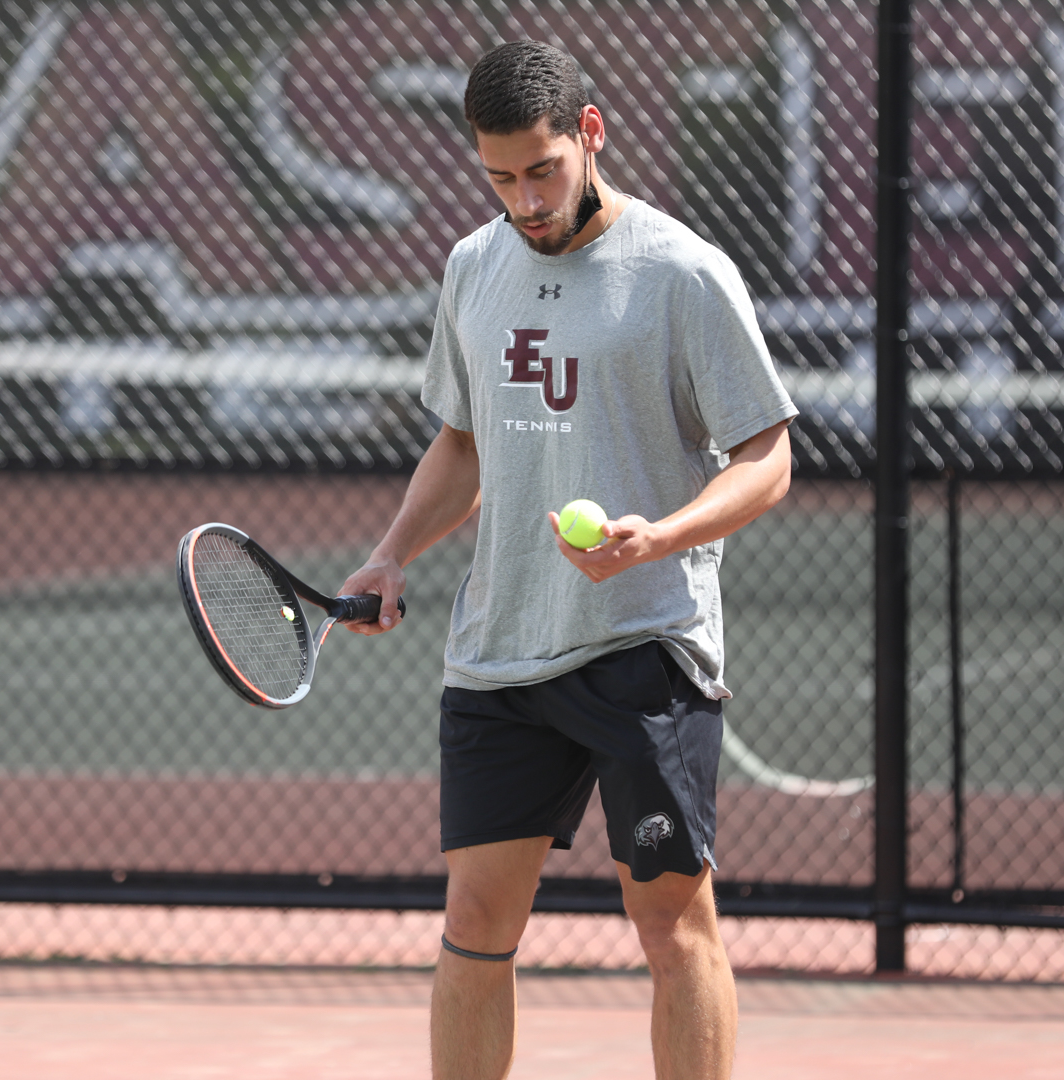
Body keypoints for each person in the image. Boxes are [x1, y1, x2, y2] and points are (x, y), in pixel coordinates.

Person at [336, 41, 797, 1079]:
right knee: (473, 924)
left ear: (590, 134)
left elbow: (767, 457)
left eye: (541, 170)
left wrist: (667, 536)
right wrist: (392, 553)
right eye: (499, 177)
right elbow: (462, 442)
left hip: (645, 643)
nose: (525, 199)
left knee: (672, 925)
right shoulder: (472, 266)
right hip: (501, 650)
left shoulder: (681, 273)